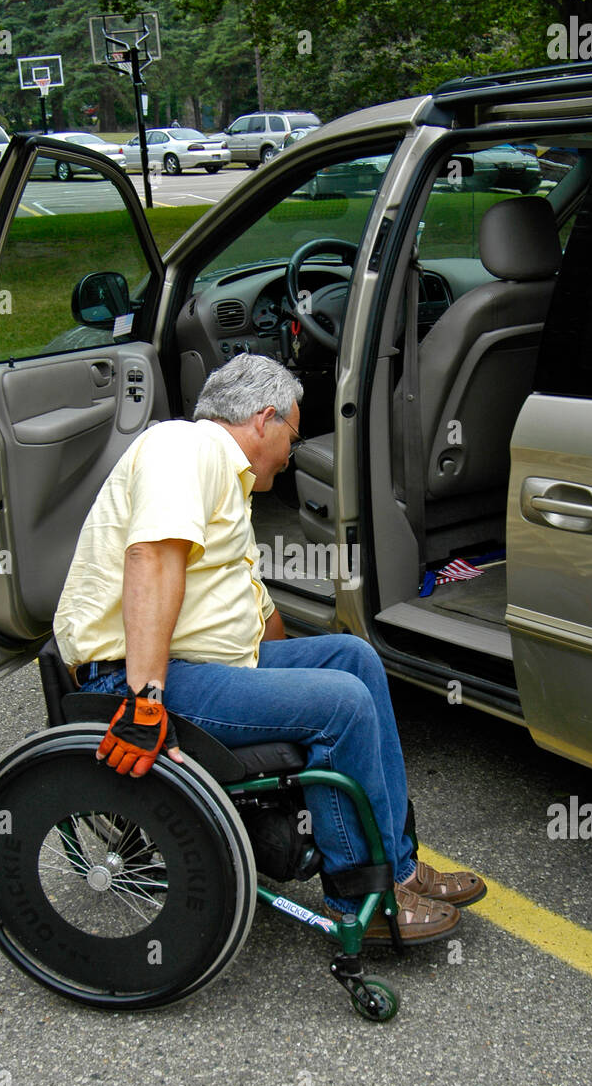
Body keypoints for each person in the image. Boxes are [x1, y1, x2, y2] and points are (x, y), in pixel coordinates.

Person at [53, 354, 486, 943]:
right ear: (264, 419)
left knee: (353, 658)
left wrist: (285, 689)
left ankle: (399, 866)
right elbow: (150, 558)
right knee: (340, 704)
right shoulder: (185, 447)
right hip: (134, 677)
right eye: (293, 434)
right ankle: (362, 900)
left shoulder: (226, 483)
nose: (291, 451)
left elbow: (254, 615)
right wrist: (146, 700)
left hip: (204, 666)